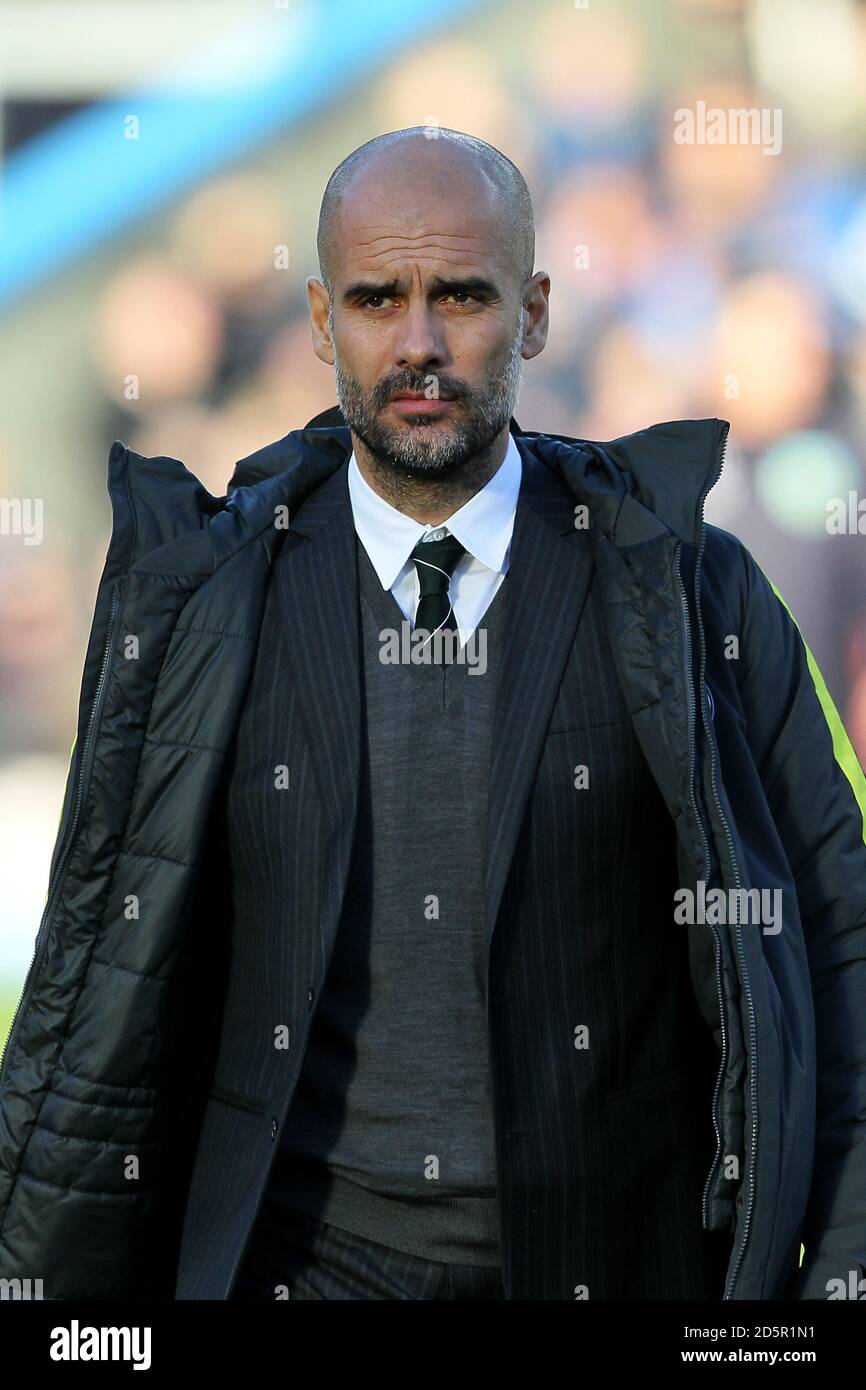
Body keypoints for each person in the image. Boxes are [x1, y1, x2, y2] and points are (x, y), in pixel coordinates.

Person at [1, 128, 864, 1302]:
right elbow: (94, 991)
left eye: (460, 293)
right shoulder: (198, 600)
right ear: (318, 320)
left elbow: (839, 950)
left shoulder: (691, 589)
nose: (416, 343)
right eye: (375, 298)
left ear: (538, 312)